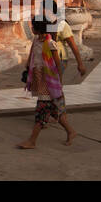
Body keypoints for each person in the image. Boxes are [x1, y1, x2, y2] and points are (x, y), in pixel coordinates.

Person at [18, 16, 77, 148]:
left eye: (33, 26)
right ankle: (71, 131)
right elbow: (32, 55)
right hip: (40, 78)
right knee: (55, 110)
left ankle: (32, 141)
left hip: (49, 80)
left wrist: (59, 83)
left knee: (42, 109)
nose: (32, 28)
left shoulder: (50, 43)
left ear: (38, 28)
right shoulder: (36, 40)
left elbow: (57, 63)